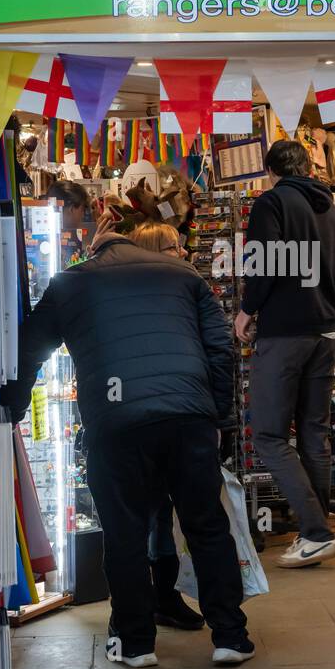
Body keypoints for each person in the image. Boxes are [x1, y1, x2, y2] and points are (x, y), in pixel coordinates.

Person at [1, 227, 252, 668]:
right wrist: (218, 418)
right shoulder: (183, 273)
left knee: (125, 534)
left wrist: (11, 409)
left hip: (116, 423)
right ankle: (230, 635)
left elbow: (28, 350)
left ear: (94, 250)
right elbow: (220, 349)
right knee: (206, 526)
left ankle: (135, 644)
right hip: (187, 417)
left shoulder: (70, 282)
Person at [234, 140, 335, 569]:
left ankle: (316, 532)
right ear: (307, 169)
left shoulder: (272, 203)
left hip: (284, 335)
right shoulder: (334, 211)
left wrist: (247, 310)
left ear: (271, 172)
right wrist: (327, 309)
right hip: (324, 334)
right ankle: (314, 531)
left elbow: (262, 264)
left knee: (267, 435)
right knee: (312, 434)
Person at [127, 220, 203, 630]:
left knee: (159, 511)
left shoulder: (167, 291)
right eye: (175, 247)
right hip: (156, 418)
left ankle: (158, 599)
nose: (185, 253)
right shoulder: (175, 294)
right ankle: (152, 602)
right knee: (152, 512)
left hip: (158, 415)